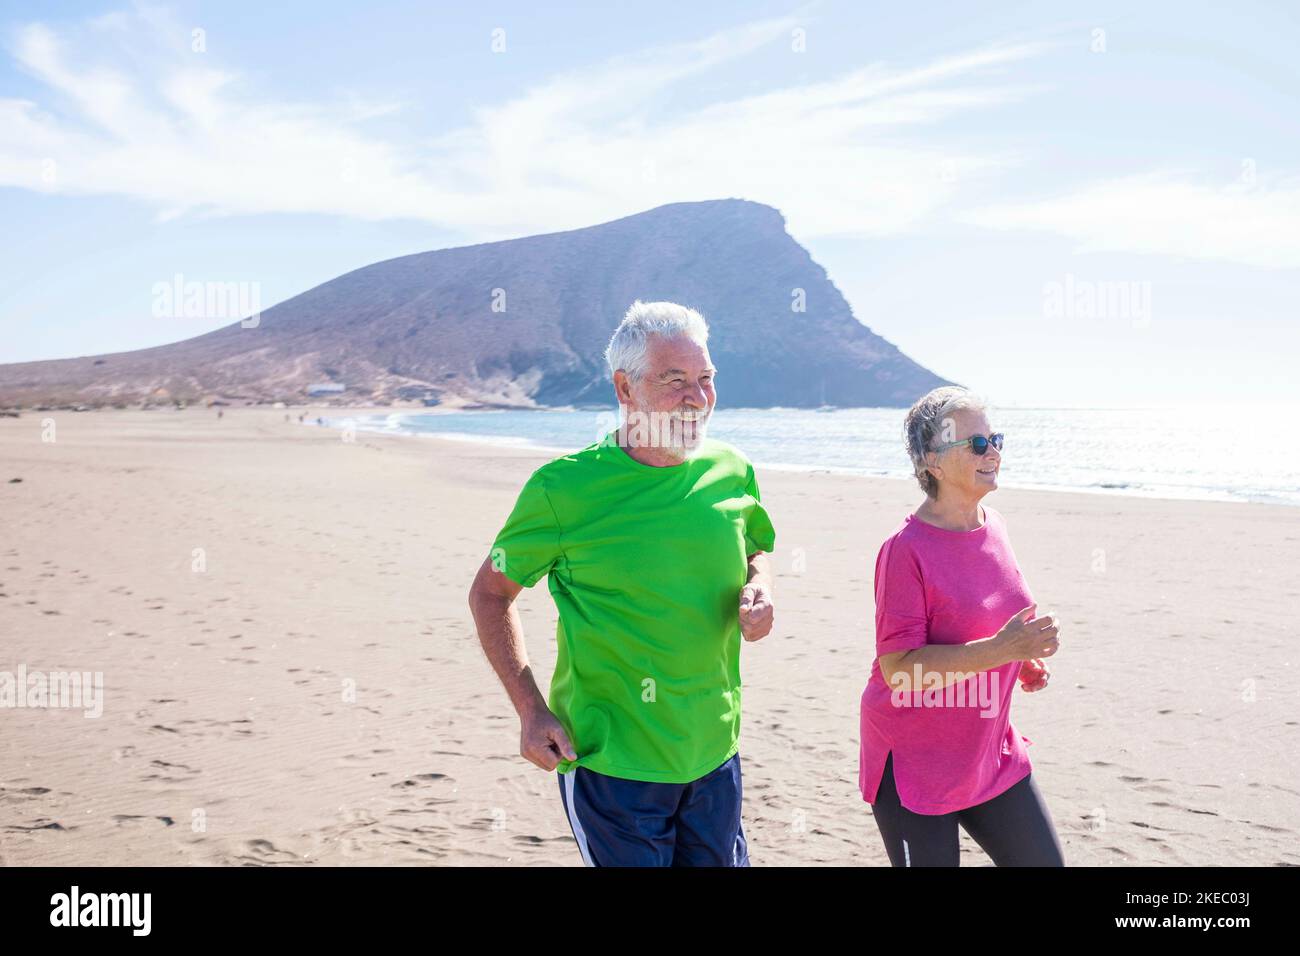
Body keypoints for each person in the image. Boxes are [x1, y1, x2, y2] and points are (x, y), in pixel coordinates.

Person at [468, 300, 776, 866]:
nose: (697, 397)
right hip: (612, 764)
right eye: (674, 380)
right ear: (624, 387)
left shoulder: (732, 468)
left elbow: (755, 550)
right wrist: (530, 709)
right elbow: (490, 594)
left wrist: (759, 589)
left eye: (706, 379)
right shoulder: (563, 488)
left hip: (715, 752)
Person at [859, 385, 1065, 866]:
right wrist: (1000, 650)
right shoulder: (904, 550)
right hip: (914, 763)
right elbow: (901, 672)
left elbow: (984, 620)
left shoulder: (995, 525)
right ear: (931, 459)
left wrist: (1020, 658)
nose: (992, 451)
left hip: (990, 754)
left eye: (996, 439)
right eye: (976, 443)